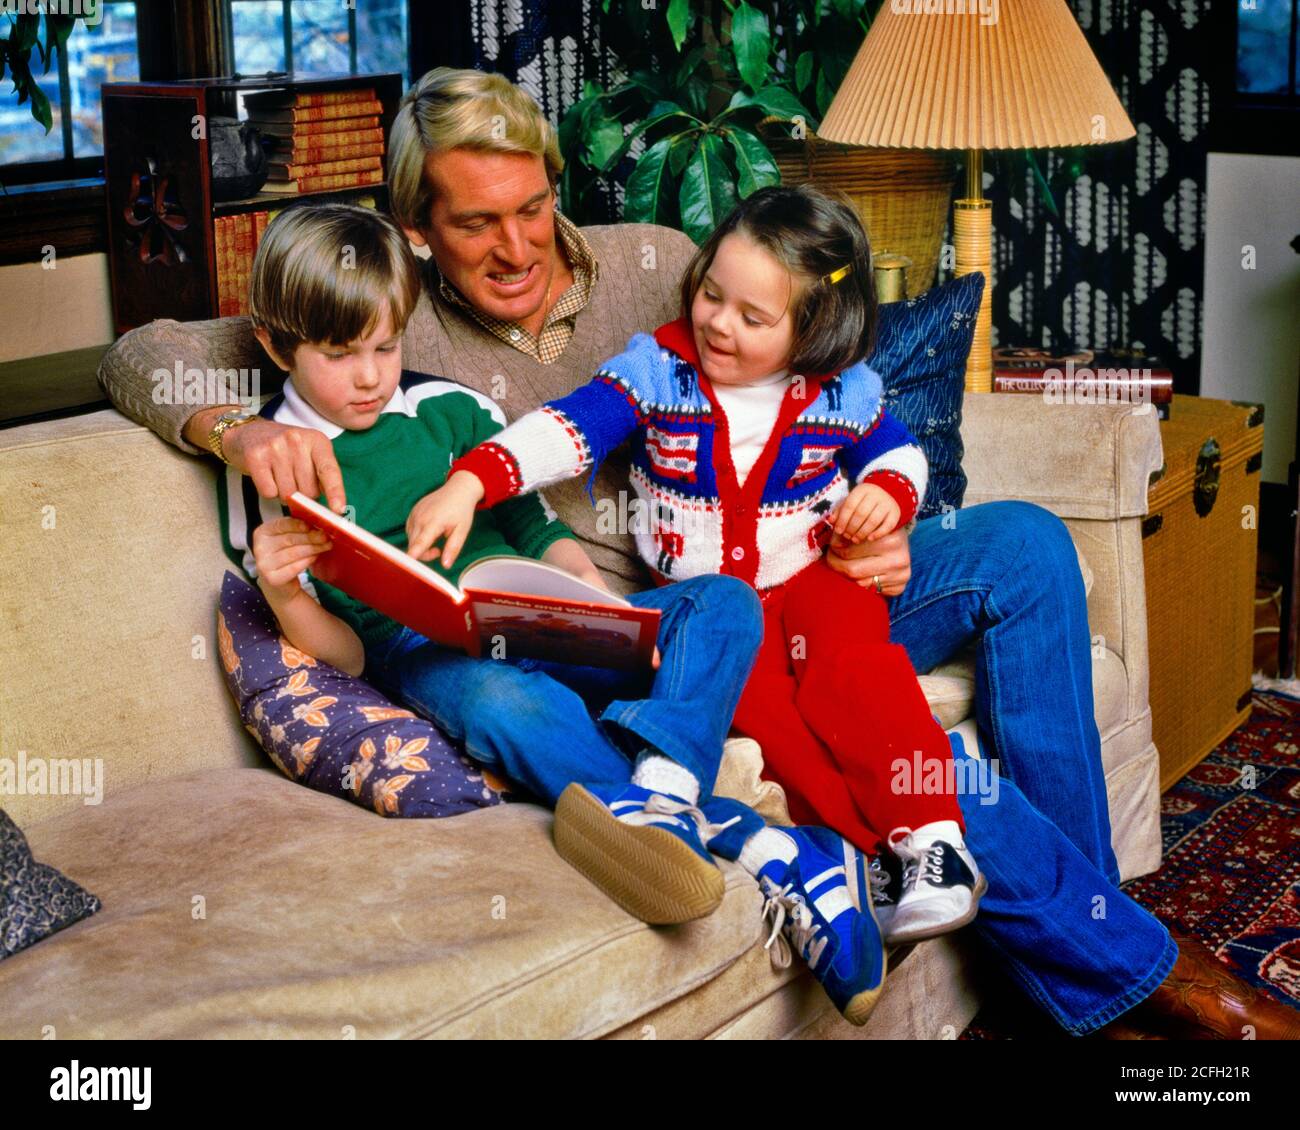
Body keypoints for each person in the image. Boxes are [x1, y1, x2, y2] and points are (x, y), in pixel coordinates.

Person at [97, 65, 1300, 1039]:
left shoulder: (655, 262)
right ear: (415, 231)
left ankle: (1087, 922)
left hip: (812, 563)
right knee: (858, 708)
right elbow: (141, 350)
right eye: (476, 223)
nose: (518, 245)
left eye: (532, 206)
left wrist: (877, 521)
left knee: (1028, 547)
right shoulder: (397, 349)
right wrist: (231, 420)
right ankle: (1130, 971)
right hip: (683, 611)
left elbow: (812, 362)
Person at [226, 201, 888, 1026]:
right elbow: (348, 661)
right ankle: (774, 848)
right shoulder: (275, 468)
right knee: (507, 703)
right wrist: (286, 592)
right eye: (339, 355)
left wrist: (598, 607)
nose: (369, 376)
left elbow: (537, 530)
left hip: (539, 612)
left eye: (386, 347)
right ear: (273, 343)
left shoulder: (450, 413)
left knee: (722, 603)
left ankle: (665, 794)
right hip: (428, 649)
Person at [414, 184, 987, 945]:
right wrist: (473, 479)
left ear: (815, 328)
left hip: (822, 581)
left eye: (754, 318)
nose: (719, 322)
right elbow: (570, 428)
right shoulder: (659, 369)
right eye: (712, 295)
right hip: (714, 614)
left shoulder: (842, 390)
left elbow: (900, 456)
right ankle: (869, 853)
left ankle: (935, 840)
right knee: (773, 726)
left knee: (856, 677)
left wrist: (886, 494)